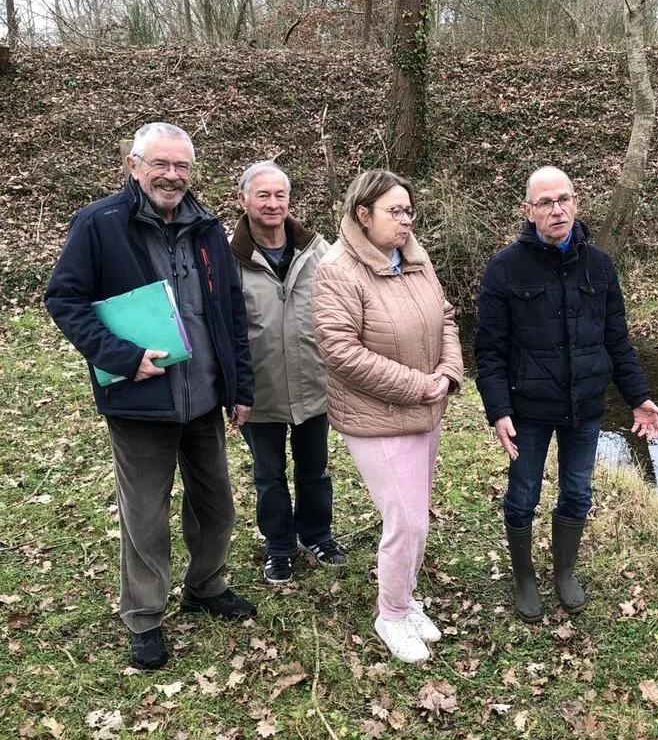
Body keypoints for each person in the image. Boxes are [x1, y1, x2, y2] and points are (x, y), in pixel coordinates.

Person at [44, 122, 257, 671]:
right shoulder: (100, 225)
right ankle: (144, 617)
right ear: (134, 166)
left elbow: (232, 314)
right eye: (160, 164)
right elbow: (64, 299)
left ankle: (205, 587)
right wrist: (118, 357)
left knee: (217, 509)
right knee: (146, 517)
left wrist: (240, 387)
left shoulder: (208, 228)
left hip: (206, 399)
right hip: (141, 403)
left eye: (181, 166)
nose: (172, 176)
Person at [475, 165, 658, 623]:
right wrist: (498, 409)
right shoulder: (504, 269)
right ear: (528, 211)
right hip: (529, 411)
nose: (556, 209)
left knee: (577, 493)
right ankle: (524, 577)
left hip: (586, 407)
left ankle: (564, 571)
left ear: (576, 203)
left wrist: (637, 396)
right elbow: (489, 350)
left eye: (563, 199)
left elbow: (617, 340)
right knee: (523, 496)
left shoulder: (599, 265)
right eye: (545, 202)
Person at [312, 169, 463, 664]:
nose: (406, 221)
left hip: (425, 410)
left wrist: (449, 371)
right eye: (394, 212)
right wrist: (421, 385)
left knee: (414, 516)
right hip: (376, 417)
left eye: (408, 211)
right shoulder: (337, 270)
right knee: (407, 520)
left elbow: (445, 318)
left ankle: (406, 598)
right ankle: (392, 614)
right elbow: (341, 352)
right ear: (363, 214)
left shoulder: (415, 258)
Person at [231, 161, 345, 585]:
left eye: (280, 195)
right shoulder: (229, 257)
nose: (273, 203)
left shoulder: (318, 250)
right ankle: (278, 545)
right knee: (268, 474)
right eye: (262, 195)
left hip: (314, 383)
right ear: (242, 199)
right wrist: (231, 388)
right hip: (258, 391)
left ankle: (316, 534)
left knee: (315, 469)